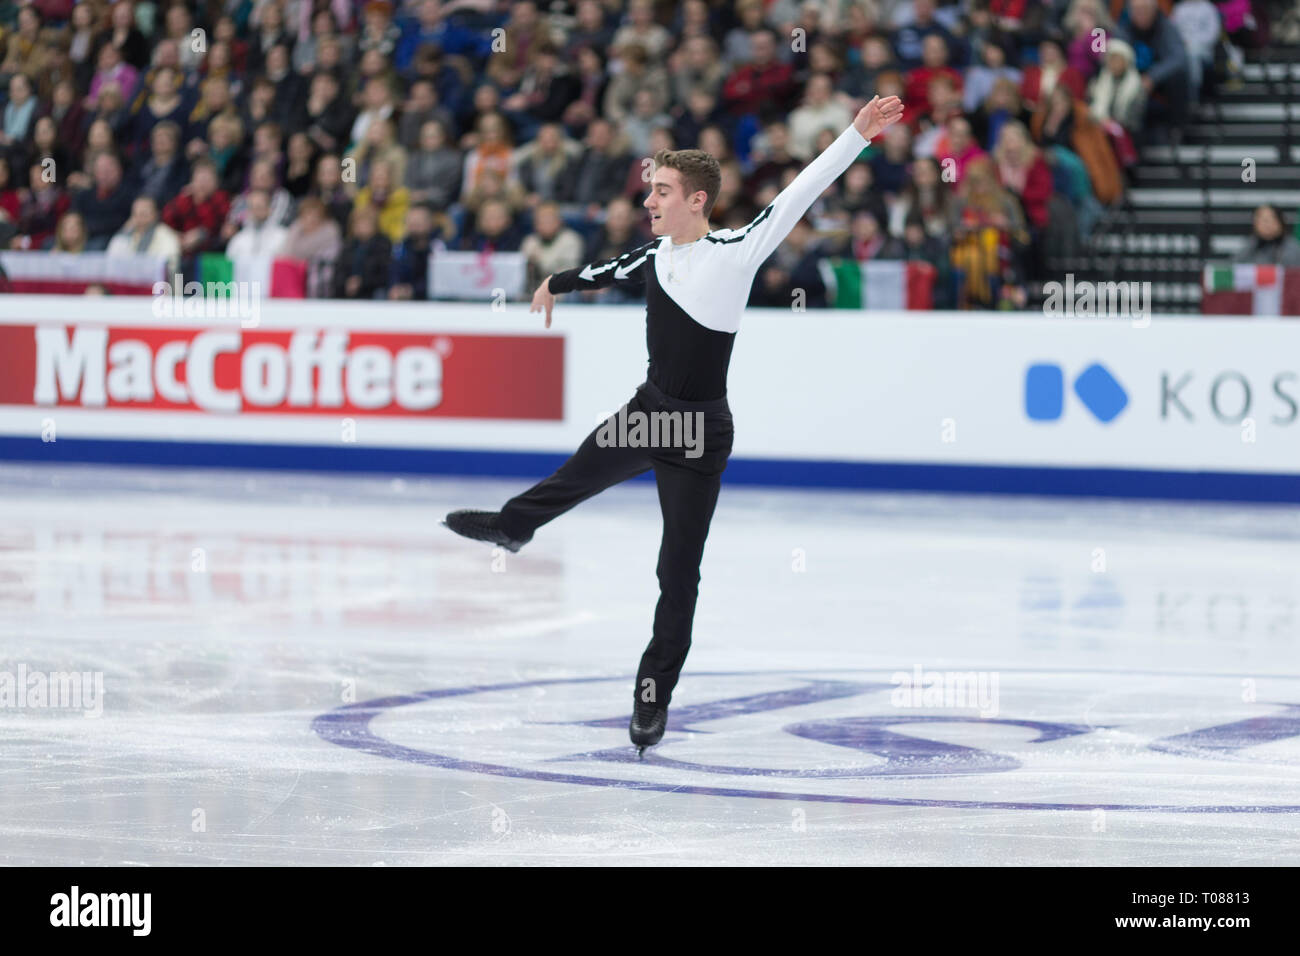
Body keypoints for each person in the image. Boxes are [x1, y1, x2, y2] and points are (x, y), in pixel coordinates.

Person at [443, 95, 905, 753]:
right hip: (650, 412)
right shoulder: (655, 254)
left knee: (676, 574)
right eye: (648, 189)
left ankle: (651, 698)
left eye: (661, 190)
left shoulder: (735, 252)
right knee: (577, 471)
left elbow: (799, 194)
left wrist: (855, 137)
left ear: (697, 200)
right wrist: (557, 281)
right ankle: (514, 526)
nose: (649, 200)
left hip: (699, 434)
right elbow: (609, 268)